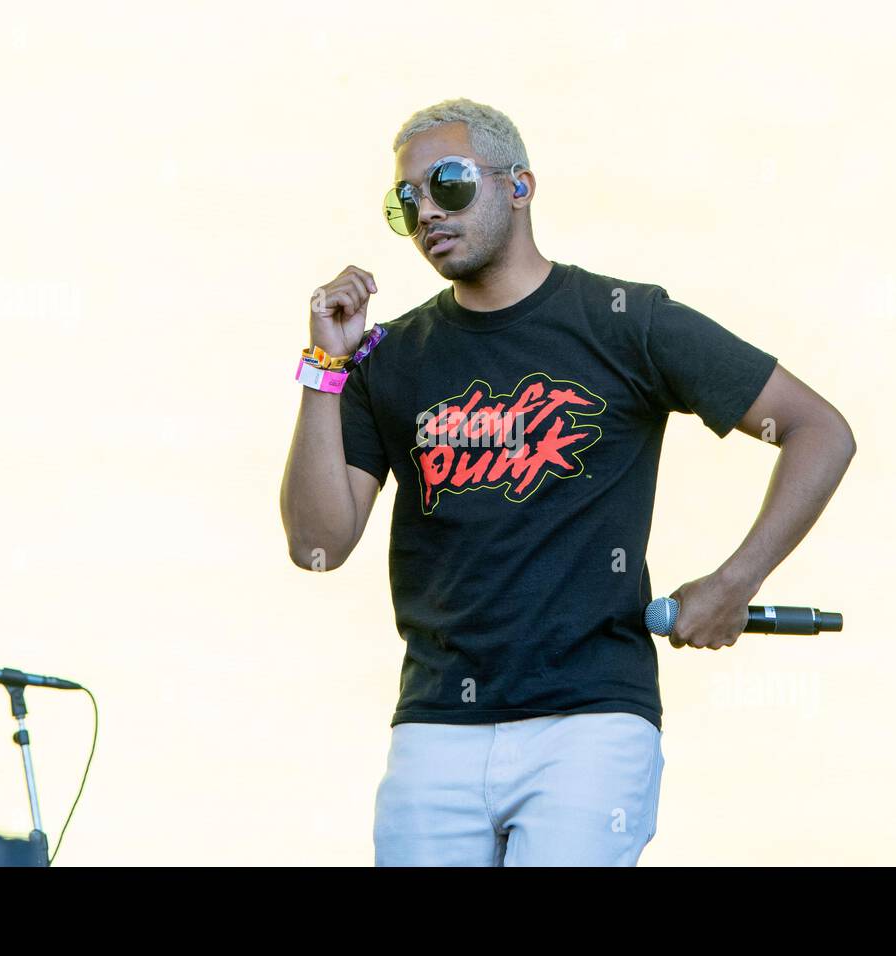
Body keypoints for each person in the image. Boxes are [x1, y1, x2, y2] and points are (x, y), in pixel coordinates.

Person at [280, 98, 856, 866]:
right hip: (433, 726)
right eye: (405, 200)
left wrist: (735, 581)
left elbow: (819, 430)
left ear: (519, 186)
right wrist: (325, 367)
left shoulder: (624, 322)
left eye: (447, 183)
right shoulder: (391, 355)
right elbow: (318, 543)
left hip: (590, 721)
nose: (426, 213)